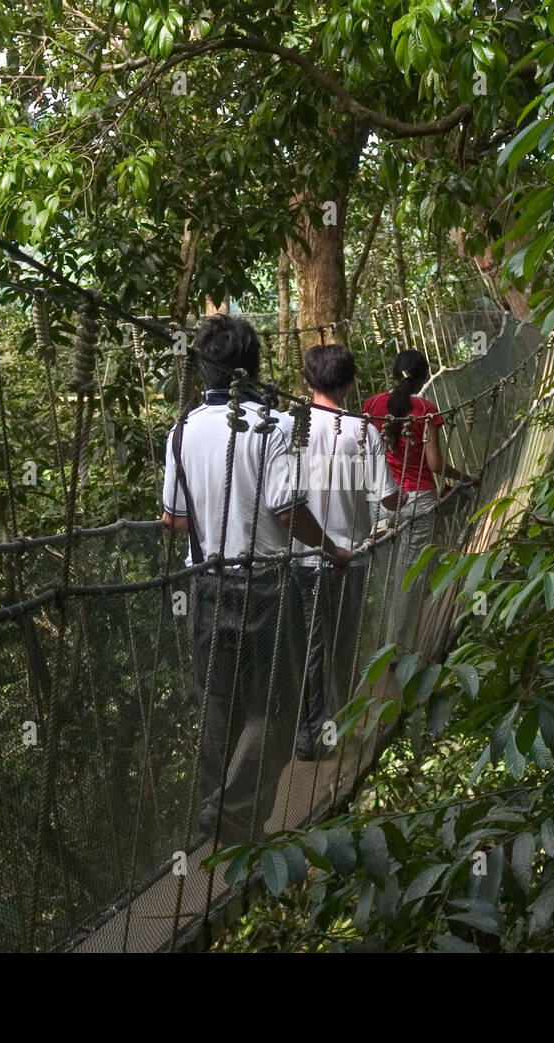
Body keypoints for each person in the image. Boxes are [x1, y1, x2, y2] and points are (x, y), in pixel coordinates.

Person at [161, 315, 350, 847]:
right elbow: (287, 509)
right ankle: (235, 817)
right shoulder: (275, 425)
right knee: (278, 706)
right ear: (255, 365)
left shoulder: (181, 430)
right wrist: (332, 548)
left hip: (207, 583)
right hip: (267, 582)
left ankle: (210, 823)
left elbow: (174, 518)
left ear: (204, 367)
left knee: (219, 704)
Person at [291, 344, 403, 761]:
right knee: (342, 648)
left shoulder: (289, 427)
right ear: (350, 384)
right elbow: (387, 499)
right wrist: (404, 498)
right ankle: (331, 728)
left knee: (311, 646)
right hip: (348, 559)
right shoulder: (362, 431)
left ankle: (315, 732)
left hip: (300, 559)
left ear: (307, 383)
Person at [363, 349, 475, 649]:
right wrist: (464, 478)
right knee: (408, 577)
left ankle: (376, 644)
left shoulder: (373, 405)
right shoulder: (427, 409)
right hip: (419, 501)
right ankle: (396, 647)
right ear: (424, 377)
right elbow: (436, 465)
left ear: (392, 373)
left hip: (382, 499)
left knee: (383, 573)